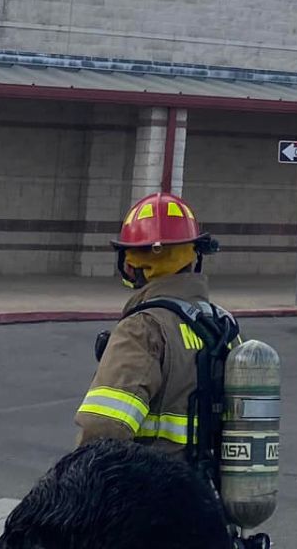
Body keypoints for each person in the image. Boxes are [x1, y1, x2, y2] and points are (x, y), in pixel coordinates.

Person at [75, 192, 232, 457]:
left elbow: (103, 428)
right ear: (193, 256)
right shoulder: (224, 325)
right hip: (209, 490)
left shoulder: (144, 329)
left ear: (135, 263)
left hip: (152, 491)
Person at [0, 439, 234, 549]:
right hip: (188, 496)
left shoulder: (141, 336)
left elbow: (103, 420)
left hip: (134, 502)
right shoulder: (220, 336)